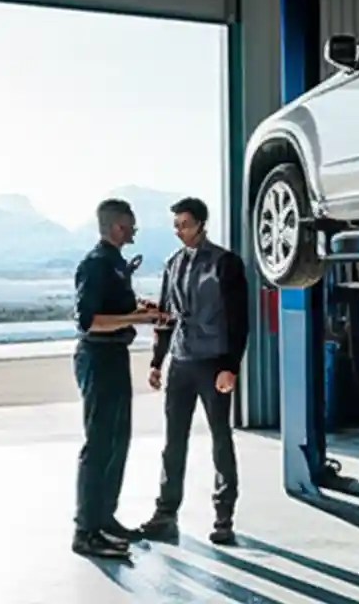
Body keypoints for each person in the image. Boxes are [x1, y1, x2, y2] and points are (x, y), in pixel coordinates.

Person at [137, 197, 249, 545]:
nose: (179, 231)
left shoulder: (225, 263)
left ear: (201, 223)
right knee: (173, 442)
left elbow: (239, 320)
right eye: (175, 225)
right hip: (181, 365)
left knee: (220, 439)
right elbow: (167, 317)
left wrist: (231, 366)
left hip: (214, 363)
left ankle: (224, 516)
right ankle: (165, 514)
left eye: (184, 224)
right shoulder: (172, 263)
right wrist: (158, 360)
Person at [70, 198, 165, 559]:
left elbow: (116, 309)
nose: (135, 231)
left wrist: (142, 310)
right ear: (115, 227)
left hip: (114, 357)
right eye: (131, 225)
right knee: (98, 444)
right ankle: (86, 531)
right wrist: (138, 320)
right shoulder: (95, 265)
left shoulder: (115, 265)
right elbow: (89, 321)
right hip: (97, 356)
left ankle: (104, 518)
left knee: (117, 440)